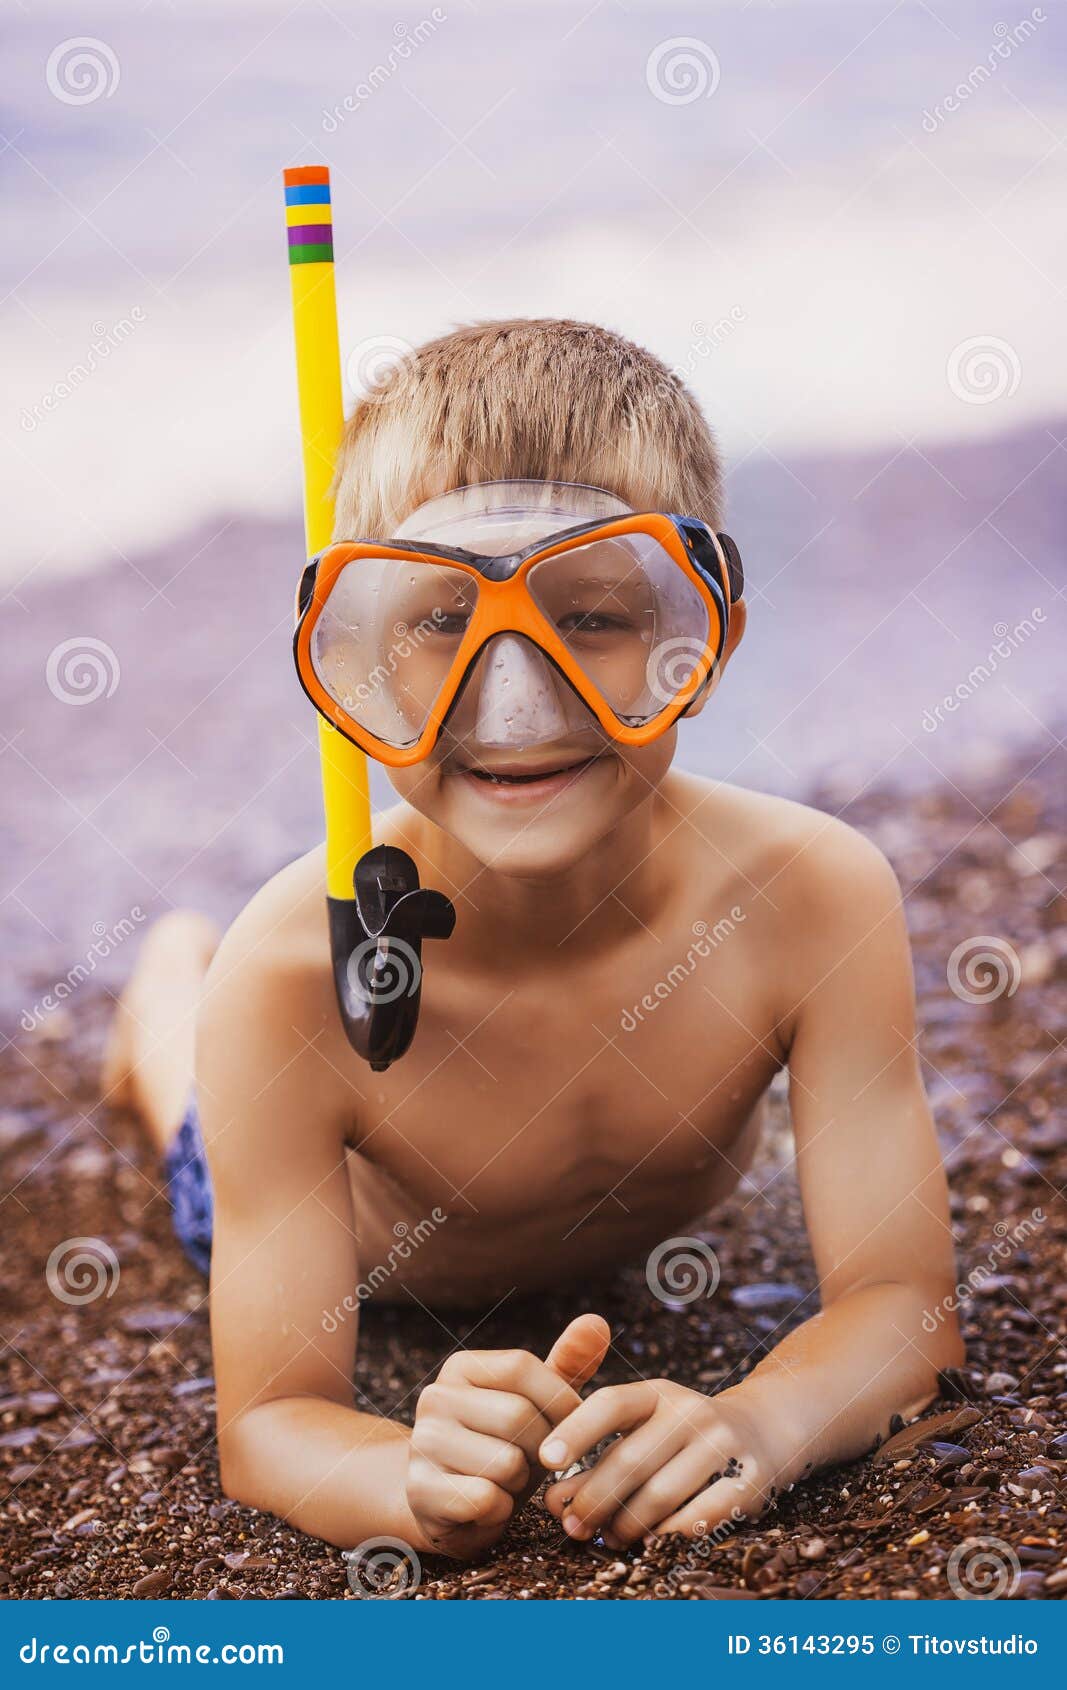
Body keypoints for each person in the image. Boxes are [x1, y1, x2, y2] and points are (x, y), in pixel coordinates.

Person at [104, 318, 961, 1560]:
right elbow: (274, 1423)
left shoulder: (811, 898)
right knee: (188, 1085)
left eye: (595, 615)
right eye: (438, 622)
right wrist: (399, 1475)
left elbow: (901, 1309)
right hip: (376, 1254)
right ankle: (160, 993)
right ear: (352, 660)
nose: (514, 702)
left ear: (702, 636)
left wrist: (764, 1420)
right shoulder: (285, 978)